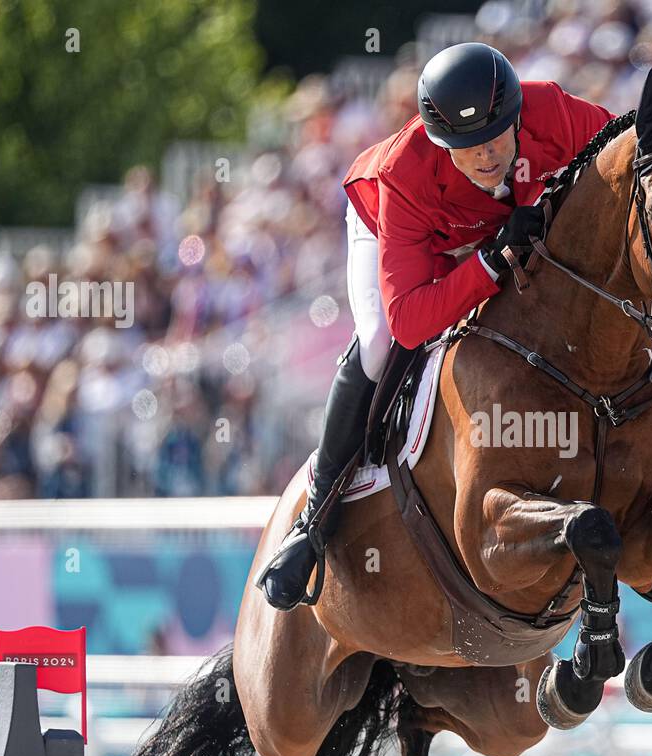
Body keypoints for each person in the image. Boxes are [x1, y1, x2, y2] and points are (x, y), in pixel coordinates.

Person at [258, 42, 615, 610]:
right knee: (376, 345)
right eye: (467, 146)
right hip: (407, 238)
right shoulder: (405, 173)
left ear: (518, 114)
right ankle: (314, 521)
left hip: (494, 230)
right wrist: (489, 262)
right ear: (441, 141)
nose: (486, 156)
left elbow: (631, 152)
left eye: (497, 136)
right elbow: (409, 322)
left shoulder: (554, 112)